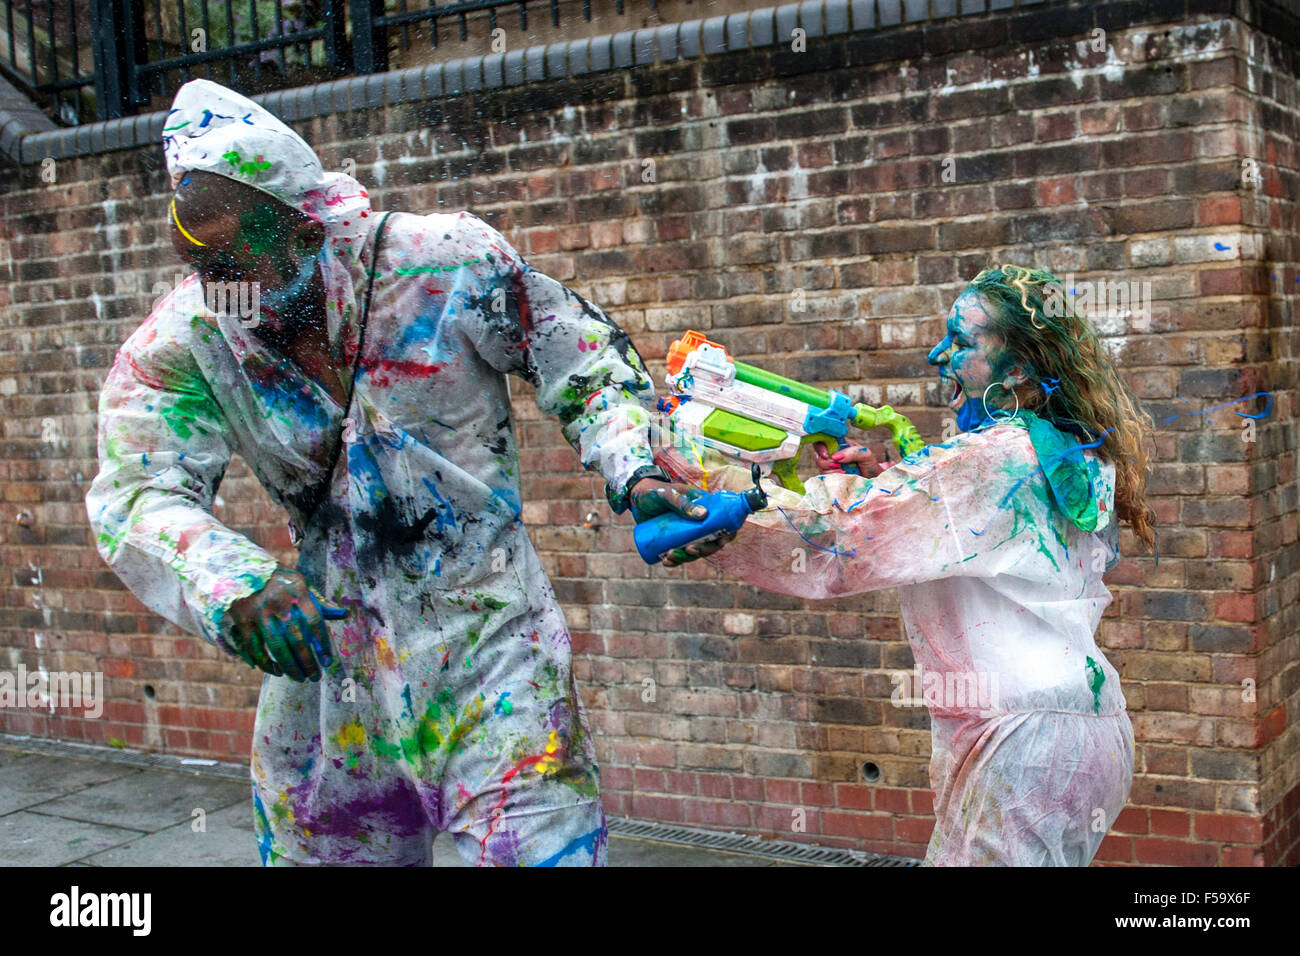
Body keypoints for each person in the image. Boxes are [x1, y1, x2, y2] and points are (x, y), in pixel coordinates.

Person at [85, 78, 730, 866]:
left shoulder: (440, 264)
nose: (236, 298)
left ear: (309, 227)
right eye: (210, 271)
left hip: (492, 649)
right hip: (331, 673)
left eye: (248, 265)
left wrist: (640, 464)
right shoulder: (187, 341)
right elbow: (137, 490)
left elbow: (578, 354)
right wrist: (234, 584)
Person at [664, 265, 1155, 865]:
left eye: (961, 341)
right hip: (1084, 727)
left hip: (1021, 742)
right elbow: (959, 528)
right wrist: (886, 487)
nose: (937, 353)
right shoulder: (1070, 451)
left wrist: (700, 486)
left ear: (1020, 366)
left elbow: (835, 543)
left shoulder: (993, 460)